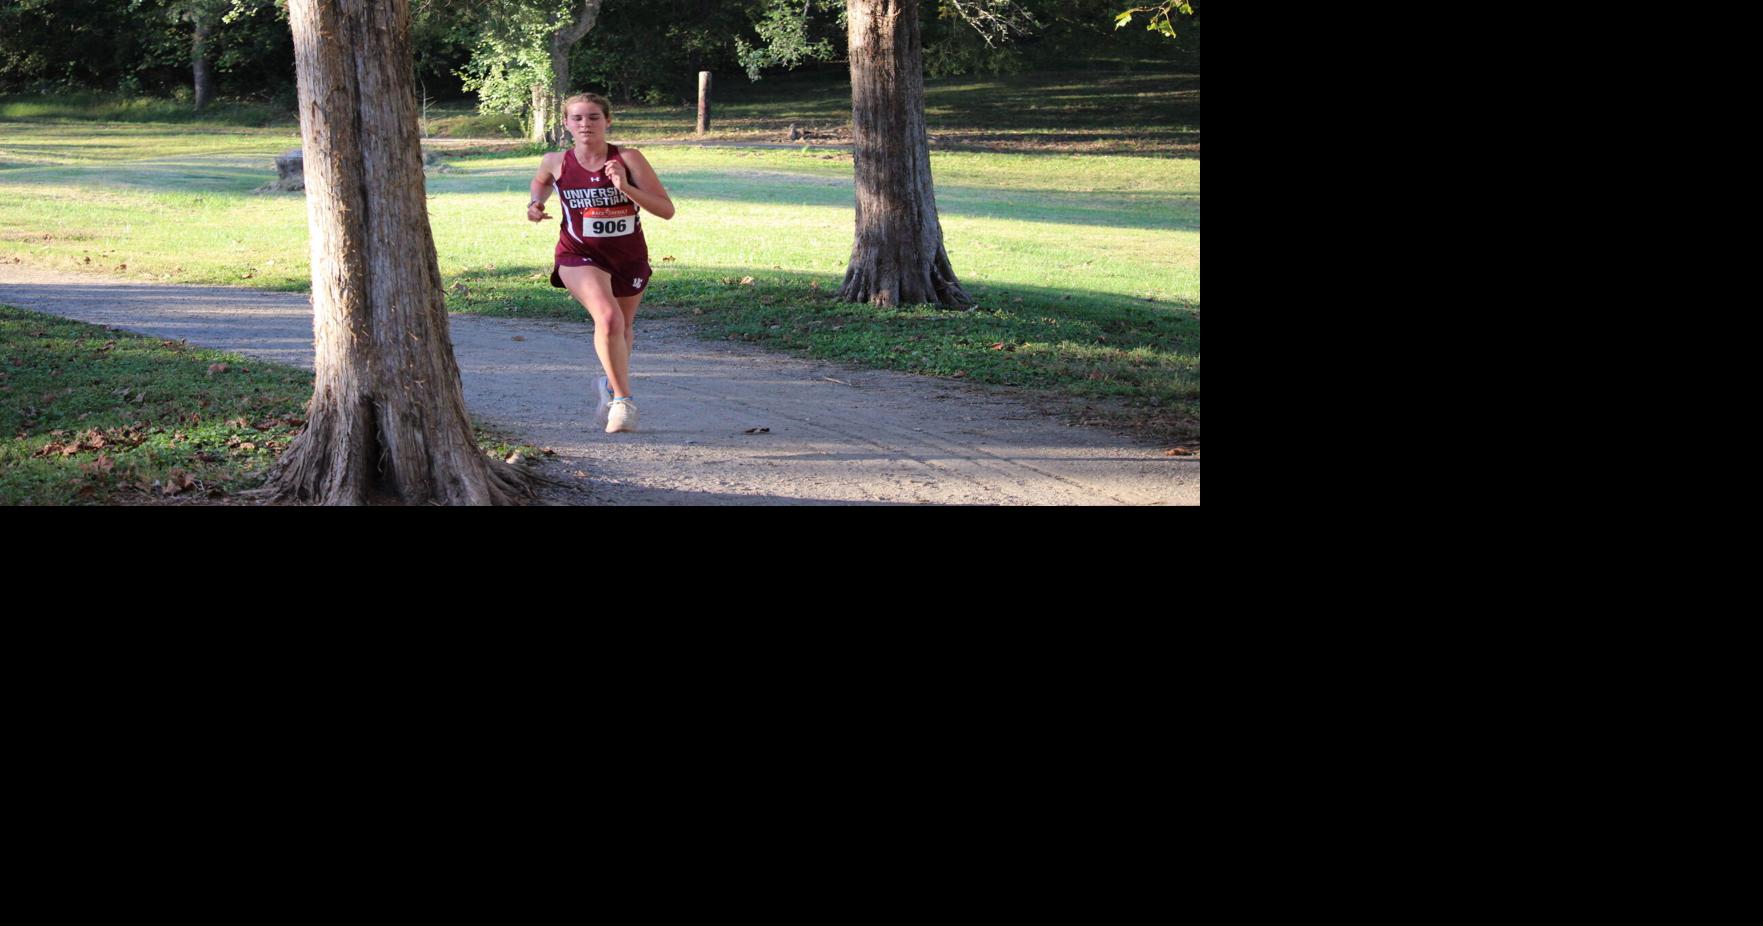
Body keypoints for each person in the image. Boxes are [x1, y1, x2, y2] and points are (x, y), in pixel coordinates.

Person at [527, 92, 675, 433]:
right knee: (607, 319)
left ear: (607, 121)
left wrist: (624, 186)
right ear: (565, 124)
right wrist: (535, 204)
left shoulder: (629, 158)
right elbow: (541, 182)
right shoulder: (556, 160)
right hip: (578, 254)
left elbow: (666, 210)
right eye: (577, 118)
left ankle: (609, 385)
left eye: (593, 117)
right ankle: (623, 402)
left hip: (628, 256)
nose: (585, 124)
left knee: (622, 327)